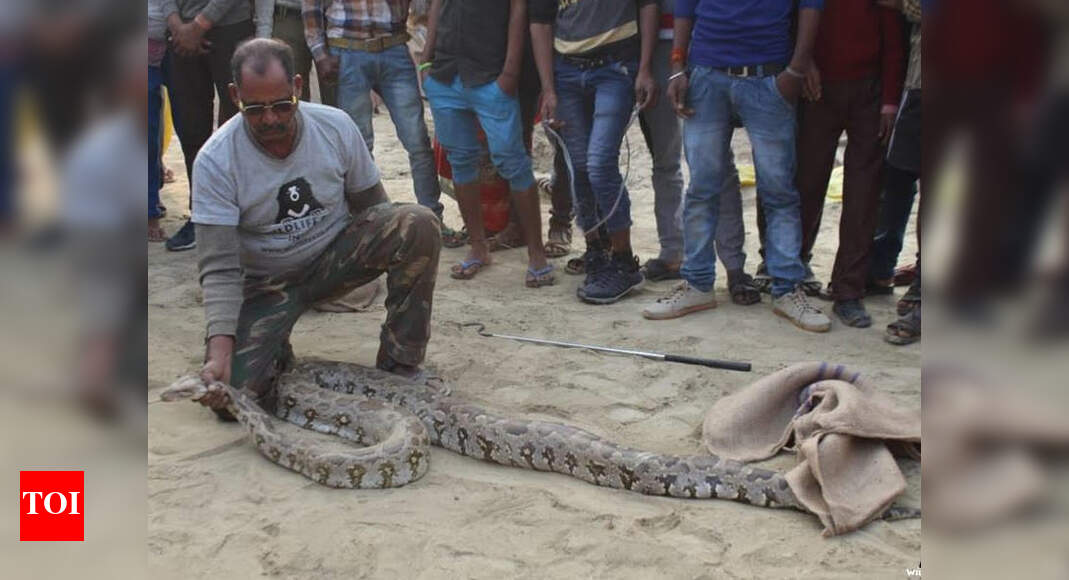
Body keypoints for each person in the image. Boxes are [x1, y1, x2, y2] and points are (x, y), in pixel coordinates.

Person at [191, 39, 441, 418]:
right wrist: (219, 352)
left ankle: (400, 362)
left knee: (416, 223)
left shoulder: (334, 126)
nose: (270, 119)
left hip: (330, 263)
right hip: (266, 284)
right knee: (233, 402)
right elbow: (219, 269)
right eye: (255, 109)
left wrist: (370, 268)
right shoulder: (215, 160)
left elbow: (376, 210)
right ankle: (274, 351)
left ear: (297, 86)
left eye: (281, 105)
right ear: (235, 96)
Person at [643, 0, 832, 332]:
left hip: (767, 76)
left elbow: (810, 6)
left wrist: (796, 69)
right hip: (706, 75)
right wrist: (677, 66)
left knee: (779, 192)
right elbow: (686, 6)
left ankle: (787, 289)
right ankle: (697, 284)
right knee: (702, 188)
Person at [530, 0, 659, 305]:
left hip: (617, 65)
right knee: (578, 167)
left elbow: (648, 5)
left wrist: (644, 68)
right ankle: (596, 253)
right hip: (566, 70)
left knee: (600, 163)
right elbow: (541, 23)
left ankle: (624, 261)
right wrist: (548, 88)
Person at [420, 0, 553, 287]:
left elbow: (518, 9)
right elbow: (437, 5)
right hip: (445, 74)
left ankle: (537, 254)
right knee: (461, 160)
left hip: (490, 75)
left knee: (512, 161)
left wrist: (510, 72)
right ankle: (478, 247)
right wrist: (426, 61)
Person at [792, 0, 904, 328]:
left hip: (868, 91)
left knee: (863, 195)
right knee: (805, 184)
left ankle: (848, 291)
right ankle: (790, 276)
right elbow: (791, 17)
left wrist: (889, 101)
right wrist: (804, 61)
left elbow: (894, 37)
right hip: (815, 88)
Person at [303, 0, 444, 226]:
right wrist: (320, 54)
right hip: (346, 52)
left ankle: (433, 216)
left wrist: (423, 45)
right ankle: (370, 220)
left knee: (417, 140)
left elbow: (423, 9)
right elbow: (311, 9)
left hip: (394, 48)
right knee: (359, 145)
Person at [162, 0, 255, 252]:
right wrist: (177, 26)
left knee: (242, 123)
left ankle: (249, 213)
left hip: (230, 27)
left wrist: (199, 25)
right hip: (180, 33)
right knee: (191, 127)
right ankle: (201, 216)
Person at [253, 0, 336, 105]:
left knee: (334, 90)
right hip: (289, 20)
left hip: (330, 18)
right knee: (292, 93)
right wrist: (263, 38)